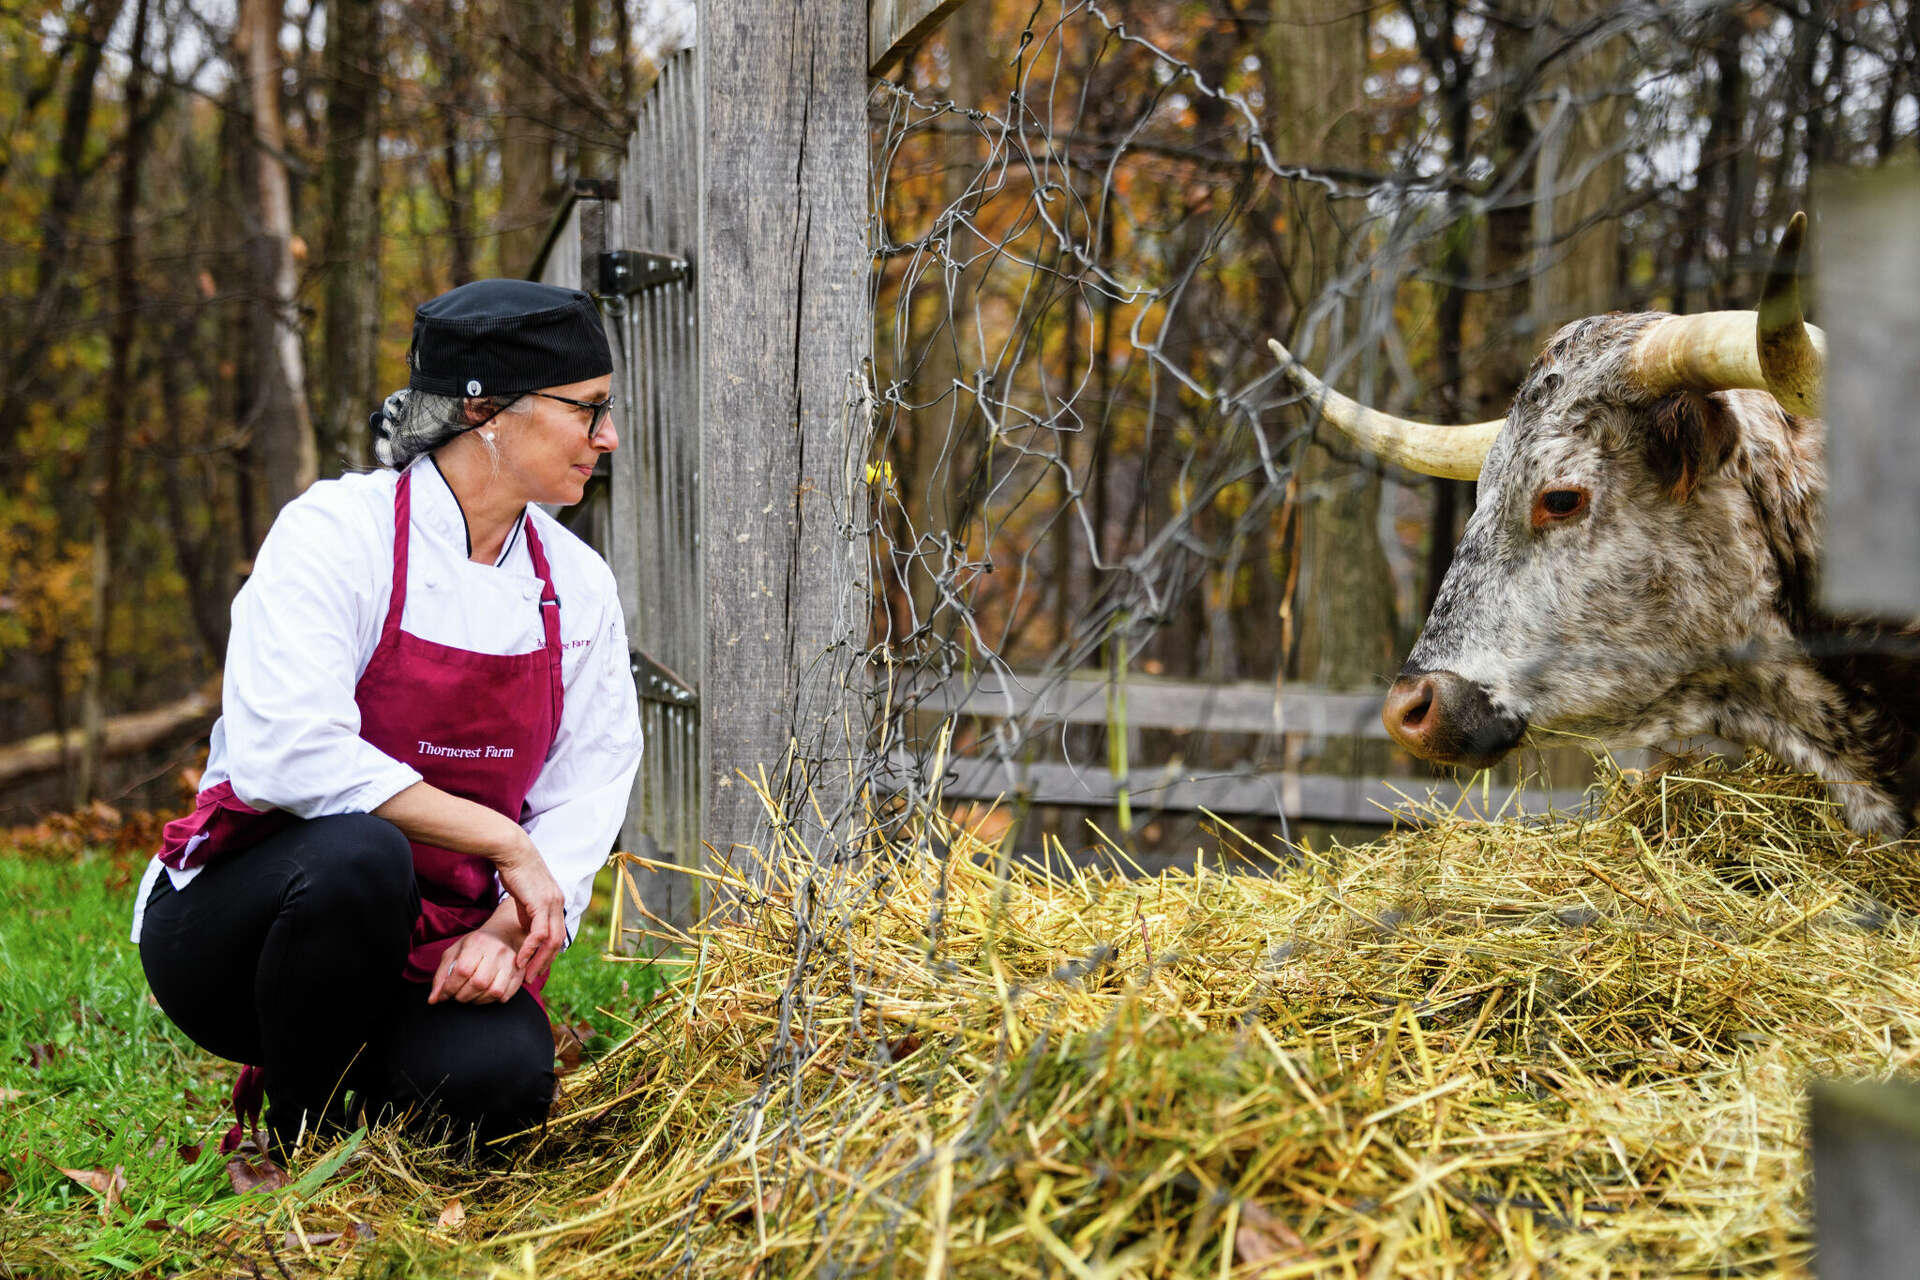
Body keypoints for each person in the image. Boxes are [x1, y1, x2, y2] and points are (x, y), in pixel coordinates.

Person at [130, 279, 644, 1158]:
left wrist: (501, 929)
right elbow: (285, 753)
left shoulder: (577, 585)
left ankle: (349, 1065)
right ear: (485, 409)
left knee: (504, 1085)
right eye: (587, 410)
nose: (609, 436)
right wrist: (502, 842)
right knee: (362, 854)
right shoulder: (339, 533)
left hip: (434, 947)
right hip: (249, 930)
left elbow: (592, 783)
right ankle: (300, 1137)